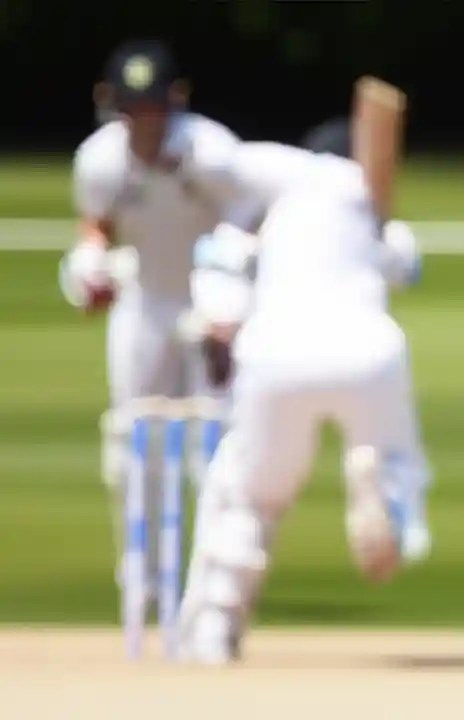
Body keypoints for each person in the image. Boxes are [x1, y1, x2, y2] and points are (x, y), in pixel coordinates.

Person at [174, 119, 433, 665]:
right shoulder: (371, 204)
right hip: (369, 347)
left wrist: (217, 336)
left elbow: (217, 298)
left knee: (250, 494)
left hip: (276, 349)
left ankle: (215, 629)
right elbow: (407, 267)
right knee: (396, 460)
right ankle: (383, 494)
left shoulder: (273, 203)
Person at [59, 38, 244, 605]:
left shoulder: (213, 152)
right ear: (111, 104)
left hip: (211, 302)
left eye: (155, 108)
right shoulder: (98, 159)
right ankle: (141, 580)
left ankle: (212, 585)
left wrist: (230, 308)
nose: (145, 122)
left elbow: (246, 227)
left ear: (176, 101)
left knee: (216, 450)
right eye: (133, 110)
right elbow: (97, 228)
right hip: (145, 306)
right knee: (132, 446)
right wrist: (90, 270)